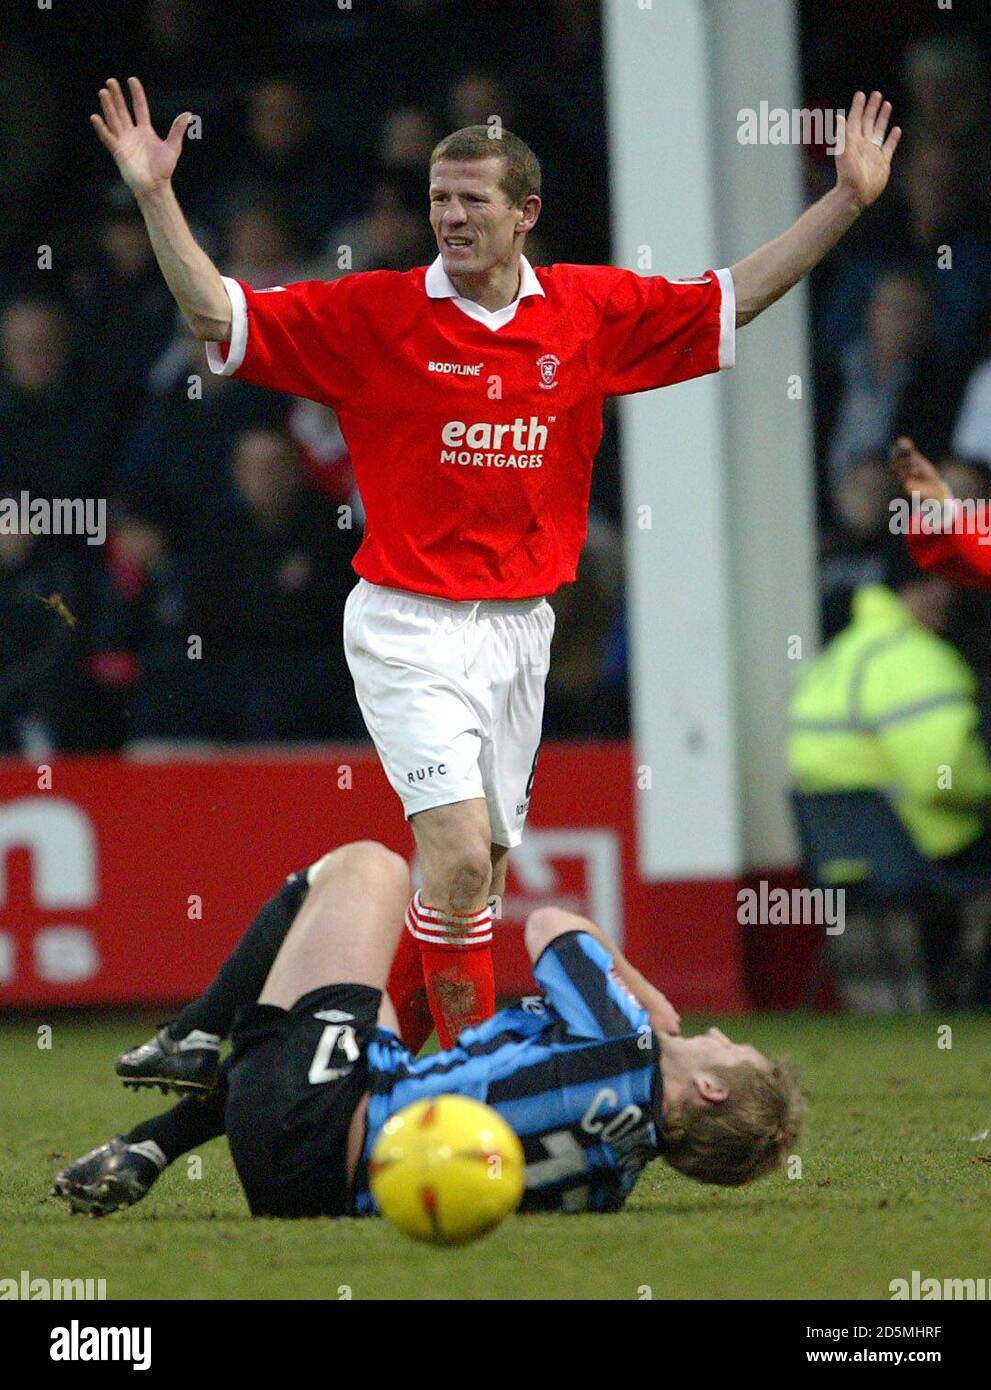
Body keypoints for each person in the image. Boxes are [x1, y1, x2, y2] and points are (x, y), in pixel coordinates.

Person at [90, 75, 901, 1048]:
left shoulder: (586, 313)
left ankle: (313, 1061)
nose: (452, 217)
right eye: (440, 199)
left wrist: (847, 199)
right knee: (464, 861)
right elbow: (219, 316)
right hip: (407, 623)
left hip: (520, 630)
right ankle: (470, 1079)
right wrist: (153, 192)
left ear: (526, 213)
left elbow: (734, 296)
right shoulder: (374, 316)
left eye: (473, 200)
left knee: (468, 882)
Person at [52, 841, 802, 1219]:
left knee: (366, 870)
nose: (719, 1034)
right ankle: (154, 1143)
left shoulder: (625, 1040)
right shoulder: (613, 1184)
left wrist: (640, 991)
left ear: (706, 1087)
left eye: (733, 1050)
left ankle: (193, 1031)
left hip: (301, 1117)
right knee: (390, 993)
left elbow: (548, 924)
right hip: (310, 1195)